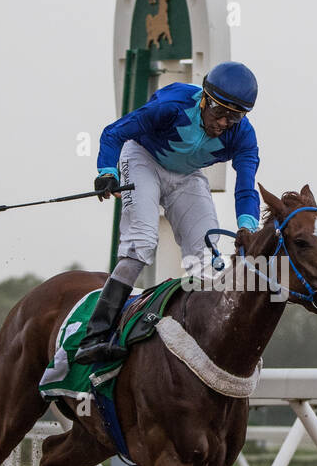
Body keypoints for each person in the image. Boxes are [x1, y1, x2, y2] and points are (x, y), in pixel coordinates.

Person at [74, 61, 261, 365]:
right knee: (142, 243)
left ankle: (206, 341)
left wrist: (247, 227)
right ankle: (94, 336)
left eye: (235, 116)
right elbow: (113, 133)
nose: (225, 123)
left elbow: (246, 187)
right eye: (219, 112)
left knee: (207, 262)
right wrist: (107, 171)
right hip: (143, 159)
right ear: (204, 98)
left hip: (187, 176)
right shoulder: (171, 106)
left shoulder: (244, 137)